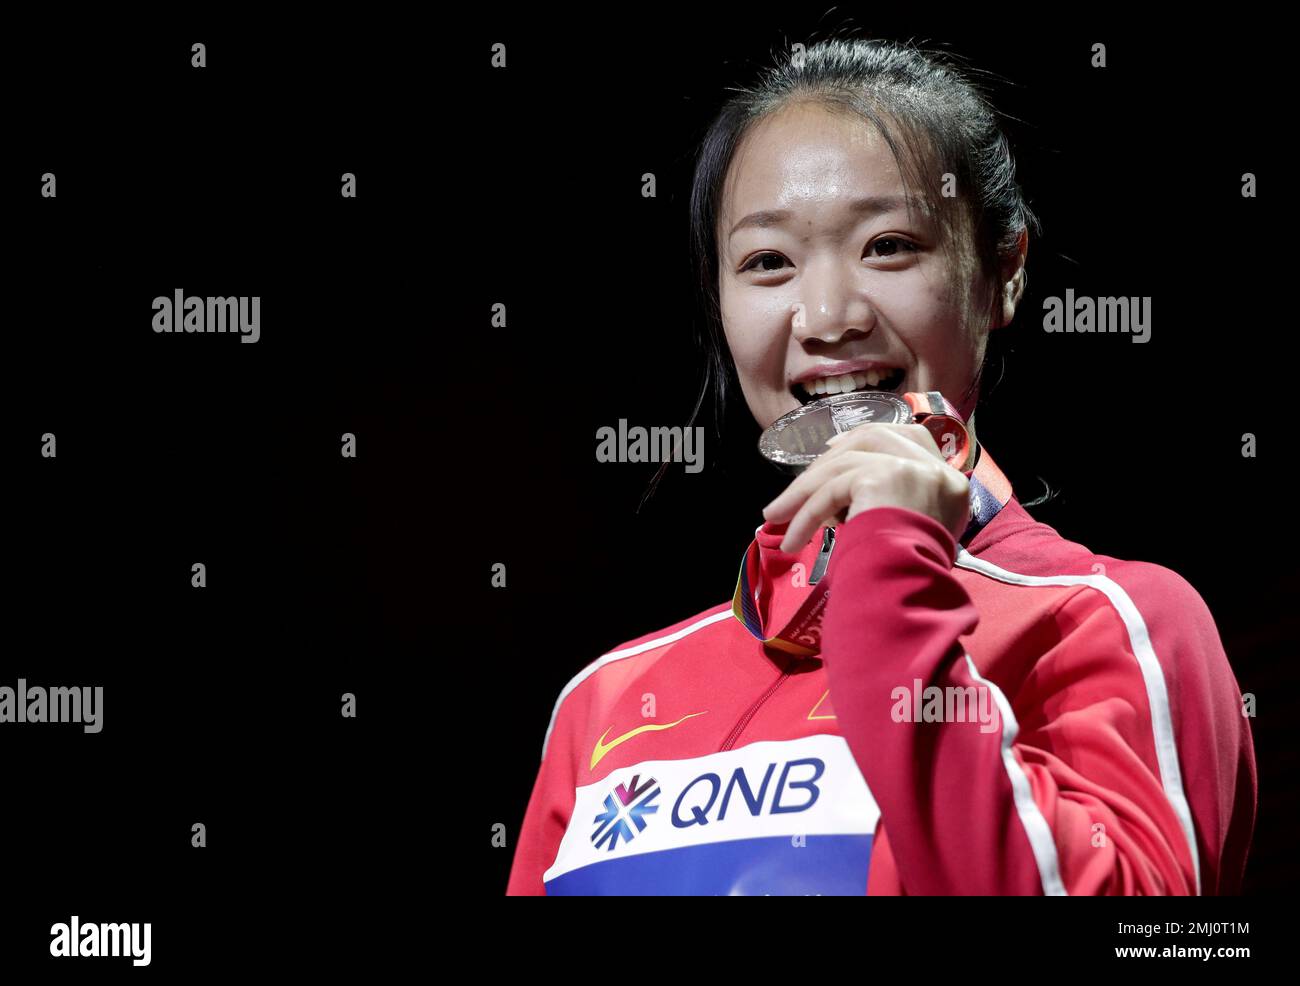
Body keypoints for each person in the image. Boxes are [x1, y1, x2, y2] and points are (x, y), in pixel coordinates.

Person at [506, 37, 1256, 895]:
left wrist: (893, 580)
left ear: (1003, 271)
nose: (825, 317)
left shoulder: (1102, 621)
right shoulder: (604, 702)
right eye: (767, 263)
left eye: (889, 245)